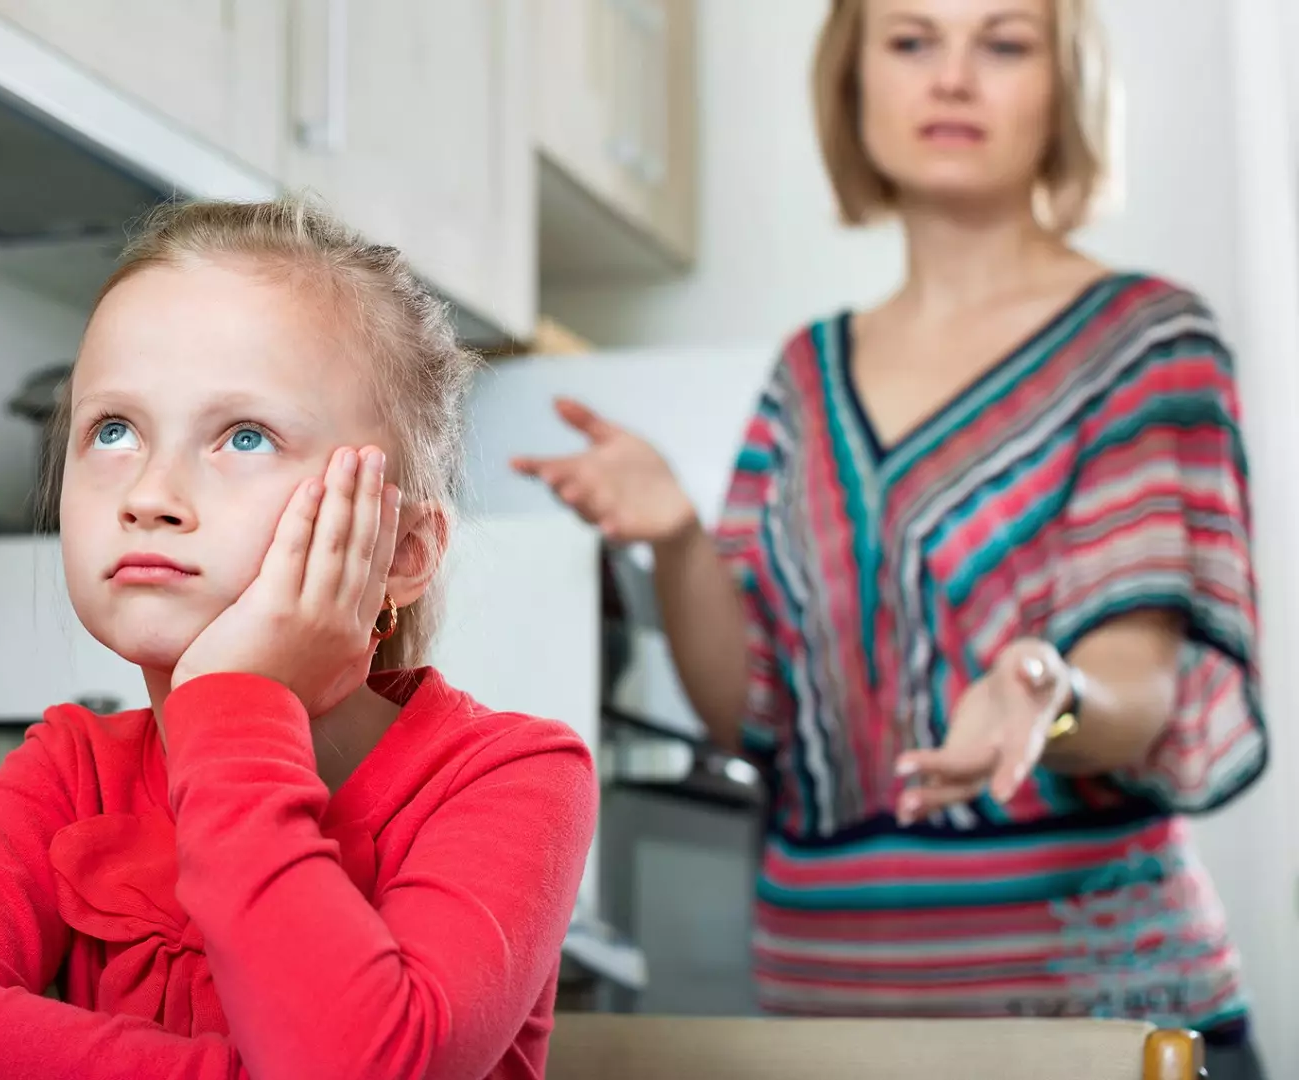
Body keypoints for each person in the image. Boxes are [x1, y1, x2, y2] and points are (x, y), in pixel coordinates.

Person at [514, 0, 1267, 1075]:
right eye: (912, 40)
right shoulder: (803, 378)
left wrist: (1044, 687)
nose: (952, 77)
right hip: (828, 1028)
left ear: (1064, 86)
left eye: (1003, 44)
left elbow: (1139, 685)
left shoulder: (1147, 341)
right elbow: (748, 711)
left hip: (1095, 1031)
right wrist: (680, 540)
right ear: (854, 82)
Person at [0, 198, 597, 1080]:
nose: (149, 491)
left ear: (402, 552)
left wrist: (232, 708)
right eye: (113, 430)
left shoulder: (510, 778)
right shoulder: (72, 771)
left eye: (245, 435)